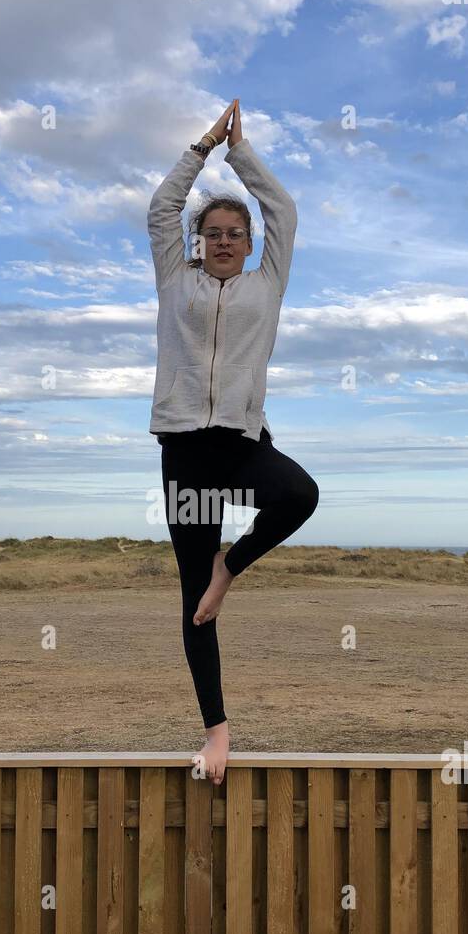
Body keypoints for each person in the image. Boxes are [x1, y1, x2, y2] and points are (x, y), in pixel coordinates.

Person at [148, 99, 319, 786]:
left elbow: (285, 213)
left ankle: (231, 566)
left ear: (248, 244)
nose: (221, 242)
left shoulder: (266, 286)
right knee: (194, 602)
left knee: (299, 495)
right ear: (198, 242)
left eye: (232, 234)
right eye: (212, 233)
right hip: (186, 454)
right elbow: (162, 209)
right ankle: (215, 728)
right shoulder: (174, 280)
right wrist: (199, 148)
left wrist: (239, 154)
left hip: (240, 444)